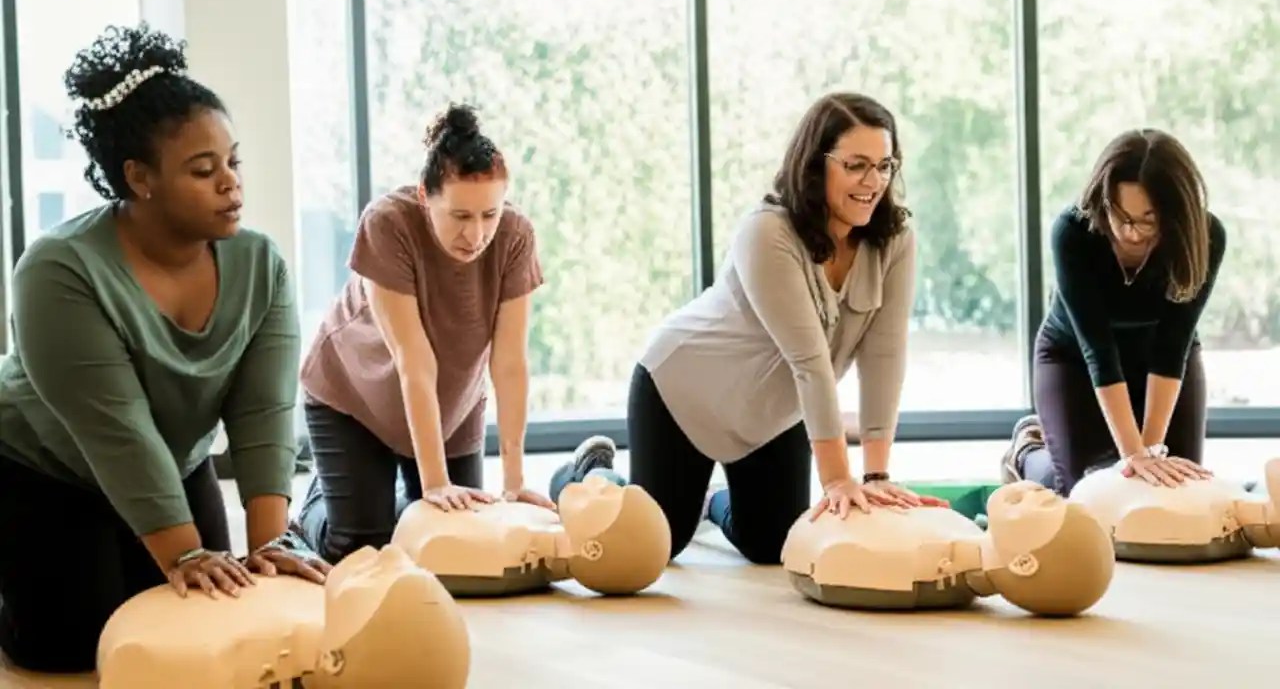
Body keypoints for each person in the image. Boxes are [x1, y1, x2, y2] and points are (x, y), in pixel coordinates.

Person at [0, 24, 327, 674]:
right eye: (204, 171)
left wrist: (272, 547)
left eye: (234, 162)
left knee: (205, 615)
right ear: (139, 177)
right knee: (71, 649)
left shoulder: (261, 264)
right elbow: (114, 428)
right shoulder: (57, 271)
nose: (231, 184)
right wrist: (182, 553)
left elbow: (262, 415)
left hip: (175, 460)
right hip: (42, 464)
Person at [549, 92, 938, 566]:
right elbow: (809, 362)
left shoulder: (894, 239)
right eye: (856, 165)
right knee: (653, 543)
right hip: (685, 394)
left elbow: (885, 355)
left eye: (884, 165)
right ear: (817, 165)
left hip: (773, 412)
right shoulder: (767, 232)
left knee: (773, 543)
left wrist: (876, 477)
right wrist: (838, 481)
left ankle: (713, 500)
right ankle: (584, 476)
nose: (872, 182)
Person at [295, 103, 554, 566]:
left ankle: (379, 491)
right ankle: (319, 503)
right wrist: (433, 483)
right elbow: (413, 359)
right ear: (424, 195)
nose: (476, 235)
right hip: (354, 396)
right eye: (459, 216)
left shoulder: (515, 236)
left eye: (488, 215)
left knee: (456, 547)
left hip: (450, 406)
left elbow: (510, 363)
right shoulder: (387, 224)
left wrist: (513, 479)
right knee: (361, 552)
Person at [1003, 128, 1225, 496]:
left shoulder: (1206, 236)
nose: (1130, 233)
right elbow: (1098, 352)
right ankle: (1027, 450)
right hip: (1073, 357)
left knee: (1176, 487)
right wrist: (1132, 458)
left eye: (1147, 220)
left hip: (1164, 356)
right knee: (1084, 494)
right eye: (1119, 215)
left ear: (1175, 215)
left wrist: (1150, 454)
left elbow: (1174, 345)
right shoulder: (1073, 232)